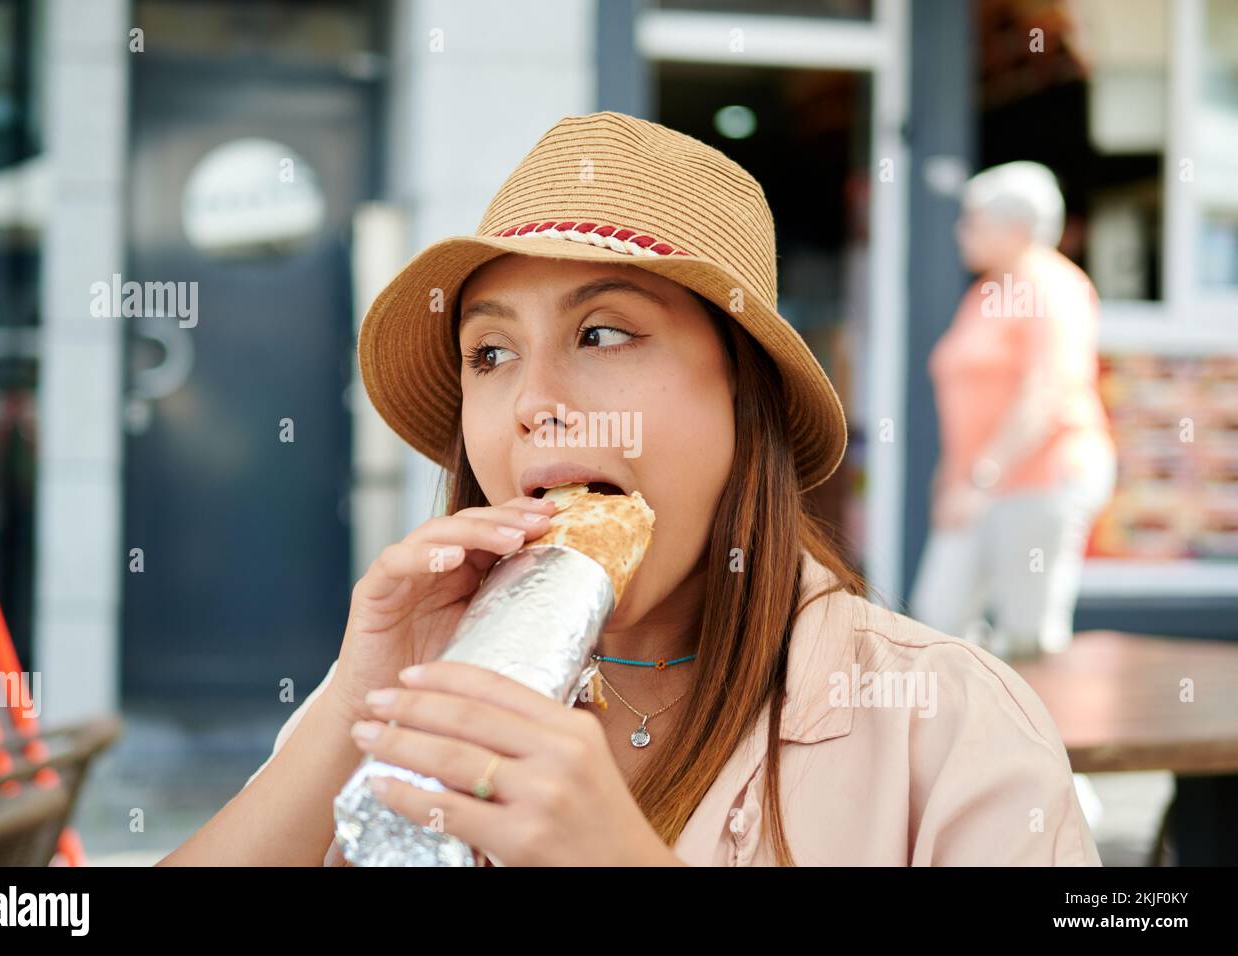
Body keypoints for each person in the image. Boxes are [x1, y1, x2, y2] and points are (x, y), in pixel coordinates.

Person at [158, 113, 1100, 866]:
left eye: (604, 333)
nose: (531, 404)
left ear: (746, 394)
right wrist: (352, 707)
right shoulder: (412, 682)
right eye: (488, 353)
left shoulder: (949, 726)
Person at [910, 161, 1117, 662]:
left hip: (1041, 478)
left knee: (1028, 635)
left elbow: (1047, 391)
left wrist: (982, 479)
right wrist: (954, 480)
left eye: (973, 221)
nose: (962, 232)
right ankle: (962, 736)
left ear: (1017, 228)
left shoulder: (1052, 286)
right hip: (981, 485)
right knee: (936, 618)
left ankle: (1048, 738)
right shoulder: (986, 293)